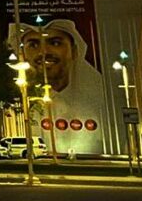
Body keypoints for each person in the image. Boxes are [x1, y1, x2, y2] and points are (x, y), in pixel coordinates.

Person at [7, 18, 106, 154]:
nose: (43, 52)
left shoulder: (100, 98)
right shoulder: (18, 102)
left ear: (75, 51)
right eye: (33, 45)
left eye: (55, 43)